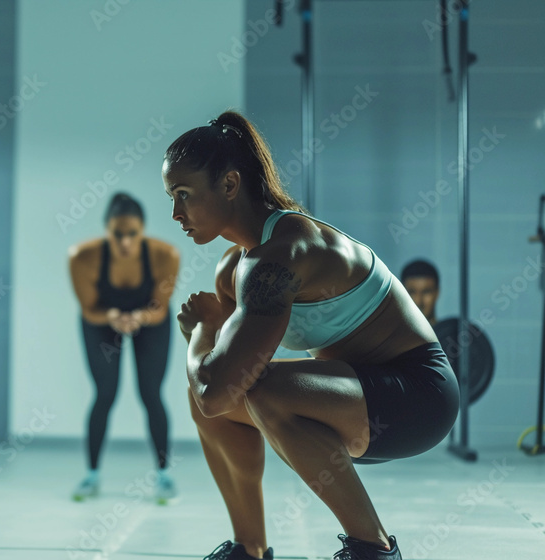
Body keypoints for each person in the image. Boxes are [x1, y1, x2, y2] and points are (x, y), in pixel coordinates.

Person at [164, 111, 458, 560]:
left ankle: (374, 550)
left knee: (259, 393)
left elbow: (217, 389)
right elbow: (211, 393)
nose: (175, 213)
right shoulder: (235, 268)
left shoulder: (285, 252)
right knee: (216, 399)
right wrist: (206, 343)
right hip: (351, 401)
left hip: (420, 396)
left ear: (228, 185)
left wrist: (203, 327)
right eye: (171, 197)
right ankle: (251, 549)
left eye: (184, 194)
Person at [67, 192, 181, 504]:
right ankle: (91, 475)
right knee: (105, 393)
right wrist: (113, 316)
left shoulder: (166, 255)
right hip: (102, 321)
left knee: (151, 394)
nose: (126, 242)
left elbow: (159, 308)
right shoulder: (82, 257)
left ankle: (163, 475)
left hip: (150, 321)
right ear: (107, 230)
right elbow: (89, 309)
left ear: (143, 230)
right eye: (118, 234)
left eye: (133, 234)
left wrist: (140, 317)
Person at [400, 259, 440, 325]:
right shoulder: (390, 334)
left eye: (426, 292)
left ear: (437, 293)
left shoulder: (455, 333)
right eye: (411, 292)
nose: (418, 301)